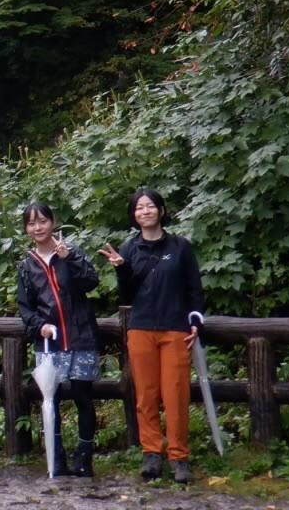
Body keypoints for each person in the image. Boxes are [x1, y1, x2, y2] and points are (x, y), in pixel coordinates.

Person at [100, 187, 206, 486]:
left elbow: (194, 289)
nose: (144, 211)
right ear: (134, 215)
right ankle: (152, 454)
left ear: (161, 210)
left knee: (176, 394)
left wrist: (196, 321)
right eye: (139, 207)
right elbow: (127, 295)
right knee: (146, 395)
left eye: (150, 206)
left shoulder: (181, 247)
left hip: (175, 328)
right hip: (141, 327)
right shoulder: (129, 249)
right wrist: (121, 269)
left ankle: (179, 457)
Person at [16, 201, 102, 477]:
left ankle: (84, 457)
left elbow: (92, 282)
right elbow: (25, 307)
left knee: (83, 396)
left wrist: (69, 258)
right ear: (26, 229)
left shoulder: (70, 252)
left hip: (81, 336)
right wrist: (39, 325)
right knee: (50, 398)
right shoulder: (27, 266)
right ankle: (57, 457)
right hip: (49, 341)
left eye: (42, 221)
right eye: (31, 223)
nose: (38, 227)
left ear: (53, 223)